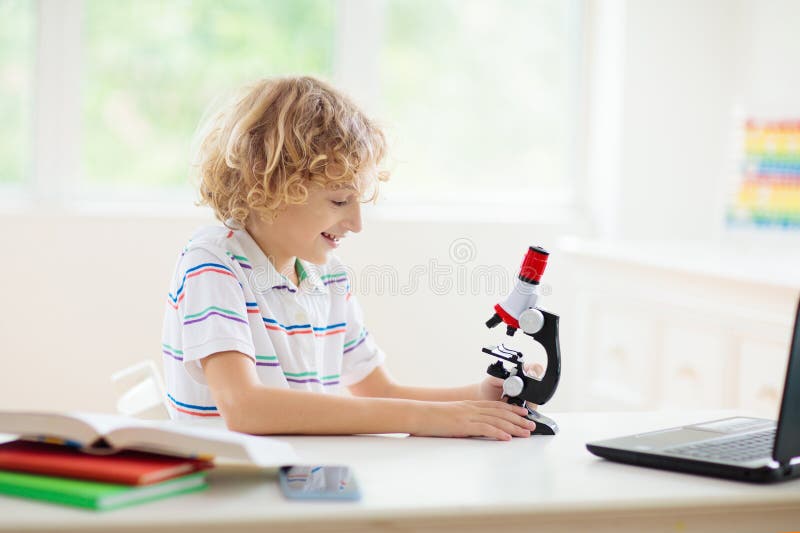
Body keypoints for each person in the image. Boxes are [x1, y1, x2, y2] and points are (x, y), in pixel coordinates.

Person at [162, 76, 537, 440]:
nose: (357, 223)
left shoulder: (329, 278)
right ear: (269, 186)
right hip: (232, 490)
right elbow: (245, 407)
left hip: (302, 476)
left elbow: (380, 392)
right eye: (340, 201)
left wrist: (480, 396)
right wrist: (425, 418)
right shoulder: (214, 264)